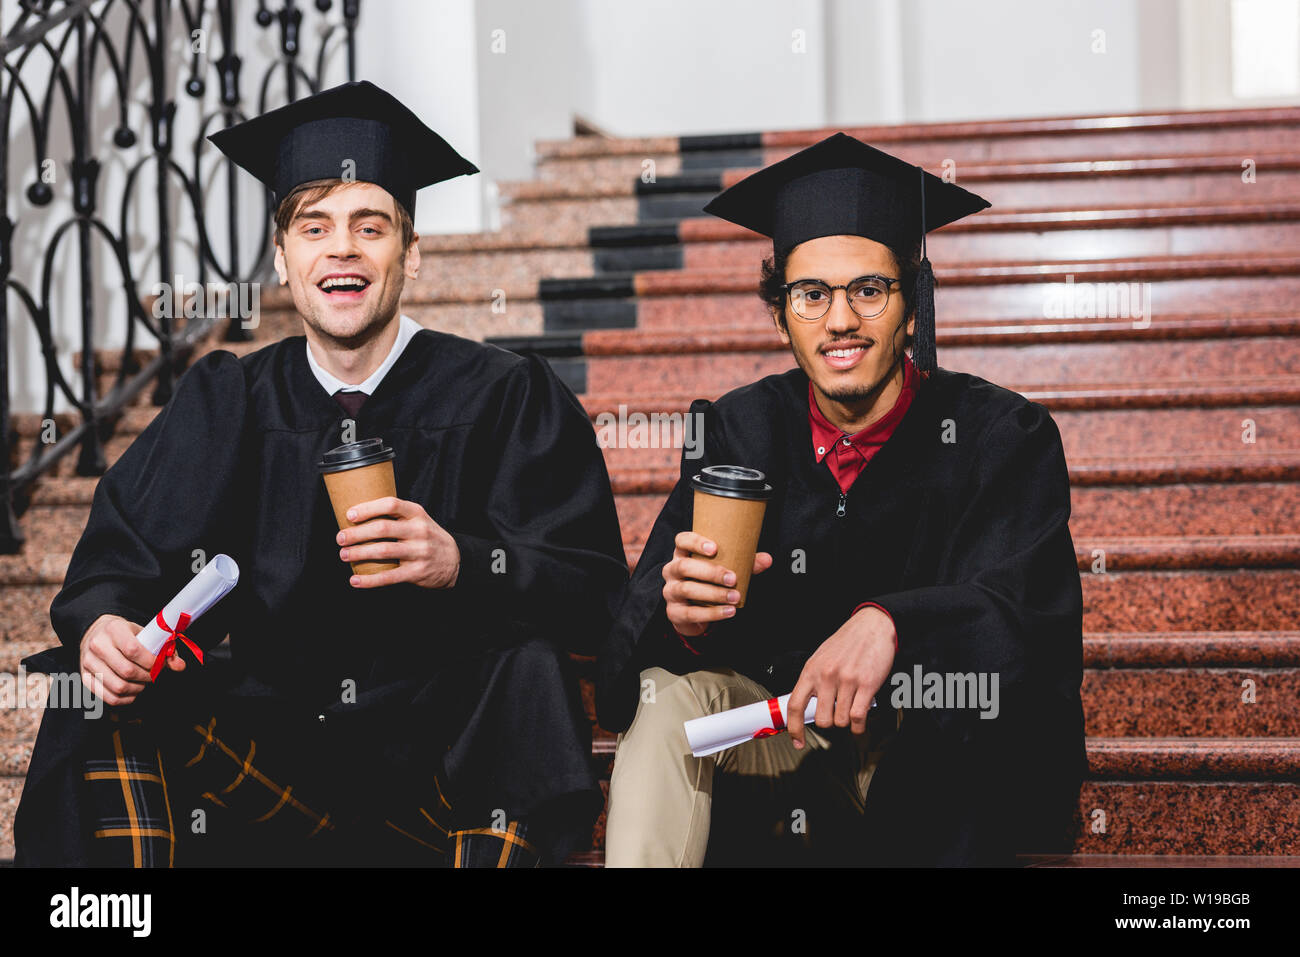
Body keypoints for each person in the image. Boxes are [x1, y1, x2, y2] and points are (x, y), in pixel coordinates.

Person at [15, 81, 628, 867]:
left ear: (410, 251)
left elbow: (598, 594)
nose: (341, 247)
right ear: (282, 257)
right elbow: (117, 565)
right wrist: (105, 624)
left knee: (529, 672)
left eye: (369, 227)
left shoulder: (503, 395)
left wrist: (462, 561)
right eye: (314, 226)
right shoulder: (230, 398)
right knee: (96, 680)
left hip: (445, 781)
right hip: (276, 770)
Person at [597, 133, 1086, 867]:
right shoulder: (738, 430)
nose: (839, 320)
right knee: (667, 703)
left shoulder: (1001, 436)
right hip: (779, 737)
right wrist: (683, 624)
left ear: (912, 308)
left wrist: (893, 623)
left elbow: (1028, 630)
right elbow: (621, 662)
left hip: (933, 754)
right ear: (780, 315)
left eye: (868, 289)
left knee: (952, 731)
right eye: (810, 293)